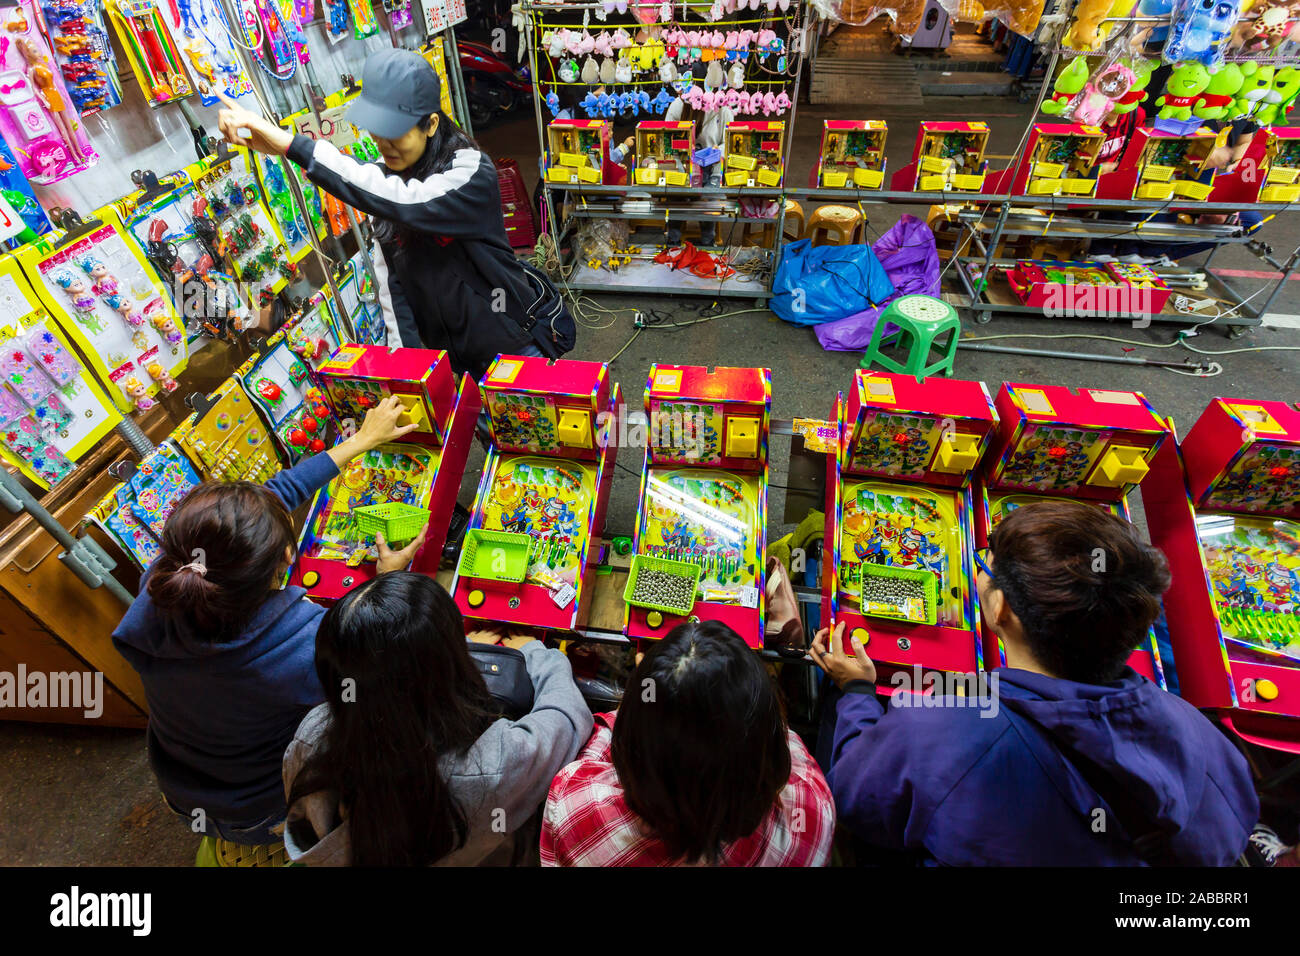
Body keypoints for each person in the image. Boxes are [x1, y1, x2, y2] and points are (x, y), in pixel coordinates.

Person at [812, 500, 1258, 866]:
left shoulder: (944, 722)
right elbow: (1228, 832)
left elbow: (855, 801)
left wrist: (855, 694)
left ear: (1000, 608)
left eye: (984, 570)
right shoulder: (1198, 731)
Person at [112, 396, 426, 846]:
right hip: (256, 813)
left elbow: (269, 500)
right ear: (286, 559)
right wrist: (388, 584)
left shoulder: (168, 576)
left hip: (182, 787)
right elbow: (382, 678)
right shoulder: (304, 648)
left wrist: (361, 440)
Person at [215, 49, 573, 379]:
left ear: (430, 125)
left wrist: (293, 146)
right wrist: (409, 370)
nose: (383, 144)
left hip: (514, 349)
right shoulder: (384, 187)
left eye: (395, 133)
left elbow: (407, 202)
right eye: (378, 130)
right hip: (457, 365)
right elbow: (392, 289)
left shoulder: (470, 171)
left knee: (542, 445)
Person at [281, 573, 592, 866]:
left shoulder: (310, 735)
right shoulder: (495, 764)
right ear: (453, 667)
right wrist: (536, 652)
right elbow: (568, 713)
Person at [541, 619, 835, 866]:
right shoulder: (811, 814)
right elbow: (782, 739)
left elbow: (599, 748)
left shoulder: (574, 809)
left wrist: (650, 696)